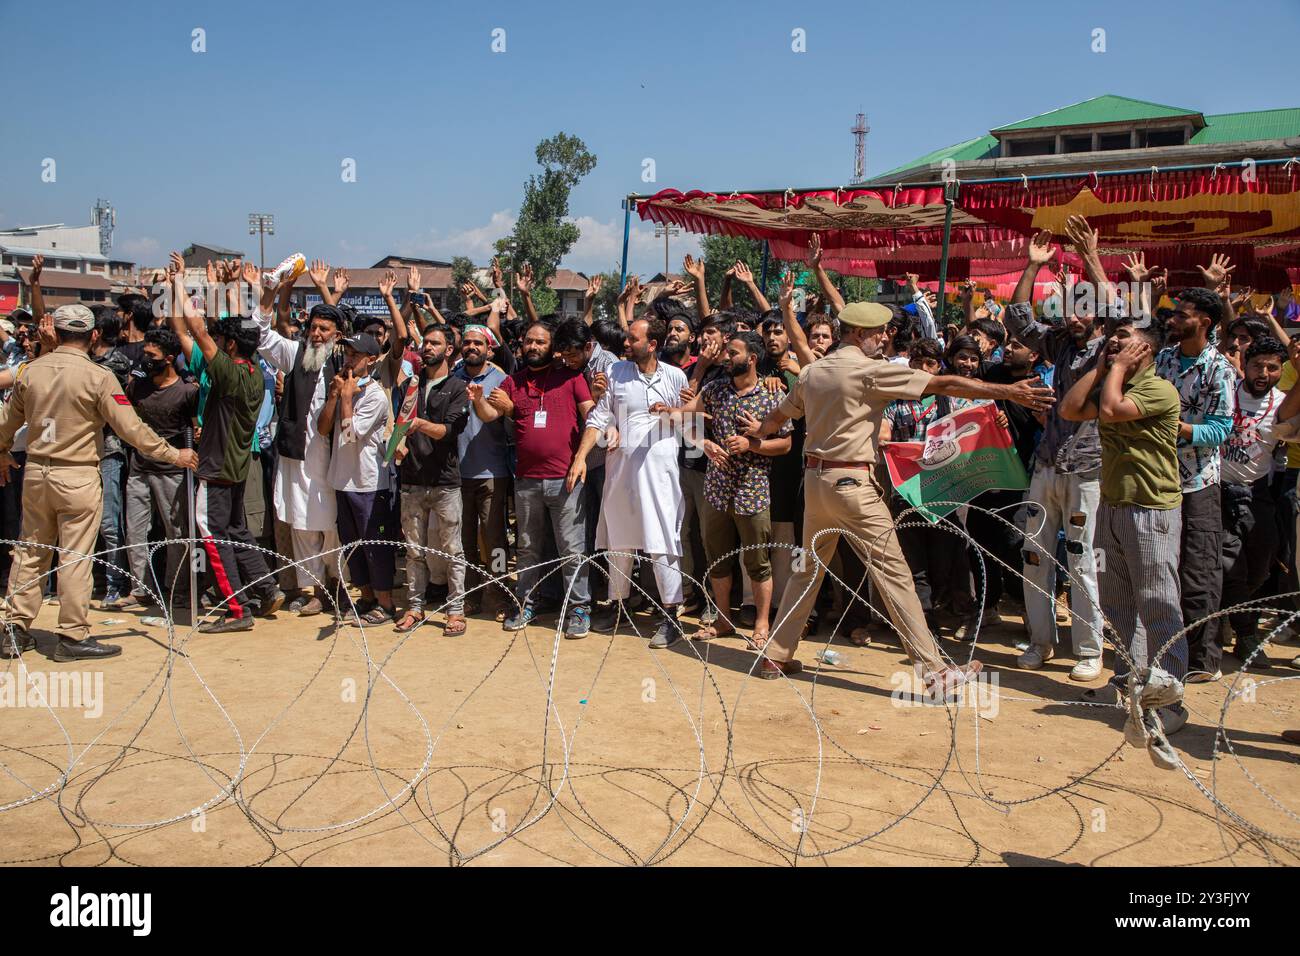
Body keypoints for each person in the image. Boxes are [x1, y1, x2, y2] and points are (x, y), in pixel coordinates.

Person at [742, 300, 1054, 689]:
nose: (884, 339)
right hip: (852, 484)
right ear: (860, 333)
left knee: (807, 570)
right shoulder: (870, 371)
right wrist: (1008, 390)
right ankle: (934, 670)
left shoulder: (813, 371)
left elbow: (779, 417)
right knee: (894, 574)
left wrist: (757, 432)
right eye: (879, 333)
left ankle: (776, 655)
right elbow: (944, 384)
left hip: (816, 484)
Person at [0, 305, 198, 661]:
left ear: (56, 333)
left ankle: (14, 628)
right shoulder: (98, 376)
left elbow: (6, 423)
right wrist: (174, 454)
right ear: (93, 336)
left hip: (37, 473)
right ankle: (72, 635)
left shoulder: (31, 372)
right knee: (75, 556)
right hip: (77, 474)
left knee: (30, 551)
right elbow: (131, 429)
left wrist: (2, 452)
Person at [1060, 320, 1188, 732]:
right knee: (1118, 606)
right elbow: (1069, 409)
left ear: (1145, 350)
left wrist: (1113, 370)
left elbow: (1113, 411)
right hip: (1114, 506)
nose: (1113, 342)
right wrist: (1101, 368)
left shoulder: (1158, 389)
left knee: (1158, 604)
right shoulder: (1115, 384)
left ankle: (1170, 700)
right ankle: (1130, 686)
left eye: (1124, 340)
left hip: (1151, 510)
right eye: (1112, 339)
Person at [1004, 226, 1109, 681]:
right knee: (1035, 555)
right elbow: (1019, 320)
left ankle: (1088, 649)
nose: (1073, 317)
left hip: (1088, 467)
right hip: (1047, 464)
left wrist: (1091, 257)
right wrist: (1032, 266)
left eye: (1083, 310)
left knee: (1082, 561)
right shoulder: (1061, 343)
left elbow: (1128, 317)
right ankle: (1041, 640)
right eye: (1069, 309)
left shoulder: (1114, 347)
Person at [661, 331, 791, 648]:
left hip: (753, 490)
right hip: (717, 490)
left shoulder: (772, 395)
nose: (727, 358)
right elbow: (686, 414)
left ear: (752, 359)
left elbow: (786, 444)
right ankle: (723, 620)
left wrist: (752, 445)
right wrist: (668, 413)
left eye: (733, 353)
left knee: (757, 562)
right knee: (717, 559)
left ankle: (762, 624)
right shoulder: (715, 389)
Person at [568, 317, 690, 646]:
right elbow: (599, 416)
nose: (626, 343)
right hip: (620, 471)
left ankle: (671, 614)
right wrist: (582, 456)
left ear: (652, 345)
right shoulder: (616, 372)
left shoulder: (675, 377)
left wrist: (675, 413)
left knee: (662, 540)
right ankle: (618, 605)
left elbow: (689, 426)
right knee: (619, 539)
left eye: (633, 339)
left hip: (659, 475)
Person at [471, 320, 594, 637]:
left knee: (572, 549)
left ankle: (579, 609)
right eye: (528, 341)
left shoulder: (572, 378)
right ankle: (526, 603)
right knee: (527, 548)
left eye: (540, 342)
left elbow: (592, 416)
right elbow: (490, 414)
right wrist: (478, 400)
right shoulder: (513, 382)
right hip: (526, 480)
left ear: (552, 347)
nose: (533, 347)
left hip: (566, 479)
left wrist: (581, 457)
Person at [181, 291, 286, 632]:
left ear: (229, 345)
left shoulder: (229, 372)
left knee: (212, 531)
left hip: (217, 464)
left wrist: (178, 284)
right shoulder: (254, 372)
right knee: (236, 529)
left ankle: (236, 609)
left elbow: (197, 330)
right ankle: (266, 587)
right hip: (237, 463)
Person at [253, 279, 346, 617]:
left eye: (324, 329)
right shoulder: (294, 354)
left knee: (332, 526)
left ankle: (338, 584)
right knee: (303, 524)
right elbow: (262, 335)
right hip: (297, 457)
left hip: (333, 460)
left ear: (337, 334)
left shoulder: (345, 362)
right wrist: (269, 292)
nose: (316, 334)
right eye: (313, 328)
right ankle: (317, 590)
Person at [1156, 285, 1236, 682]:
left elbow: (1221, 429)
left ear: (1203, 322)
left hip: (1199, 482)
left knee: (1199, 570)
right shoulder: (1164, 358)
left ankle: (1203, 660)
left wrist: (1179, 428)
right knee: (1161, 567)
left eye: (1182, 314)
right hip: (1159, 478)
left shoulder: (1220, 369)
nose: (1174, 319)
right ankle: (1167, 649)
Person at [318, 332, 399, 625]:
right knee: (351, 545)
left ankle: (386, 604)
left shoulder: (375, 395)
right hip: (343, 480)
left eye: (355, 355)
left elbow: (351, 435)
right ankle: (366, 598)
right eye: (347, 354)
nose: (348, 360)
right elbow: (323, 429)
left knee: (375, 546)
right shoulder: (342, 388)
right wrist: (334, 396)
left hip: (369, 483)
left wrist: (347, 398)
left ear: (371, 359)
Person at [1220, 336, 1292, 664]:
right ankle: (1246, 635)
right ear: (1245, 365)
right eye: (1257, 365)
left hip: (1257, 492)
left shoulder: (1282, 404)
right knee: (1230, 564)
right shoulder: (1225, 393)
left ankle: (1229, 611)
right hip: (1218, 490)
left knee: (1261, 566)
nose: (1263, 373)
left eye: (1272, 367)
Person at [395, 325, 470, 635]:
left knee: (452, 550)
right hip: (411, 479)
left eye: (435, 343)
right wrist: (397, 443)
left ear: (449, 350)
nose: (427, 347)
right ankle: (415, 608)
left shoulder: (458, 388)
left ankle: (456, 611)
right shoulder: (410, 385)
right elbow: (398, 424)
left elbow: (448, 432)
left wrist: (419, 424)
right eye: (425, 342)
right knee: (414, 551)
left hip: (445, 481)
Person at [121, 328, 199, 611]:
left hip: (173, 471)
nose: (145, 360)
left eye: (151, 355)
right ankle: (141, 589)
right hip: (139, 468)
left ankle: (178, 590)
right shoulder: (137, 388)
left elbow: (197, 427)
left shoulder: (187, 392)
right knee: (135, 531)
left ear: (169, 358)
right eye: (144, 353)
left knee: (176, 533)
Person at [453, 324, 512, 619]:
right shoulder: (453, 378)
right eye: (467, 342)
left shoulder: (500, 380)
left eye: (478, 343)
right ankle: (471, 594)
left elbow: (492, 416)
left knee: (495, 540)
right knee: (464, 542)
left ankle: (499, 592)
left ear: (489, 349)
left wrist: (478, 400)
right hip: (457, 473)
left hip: (492, 472)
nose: (472, 347)